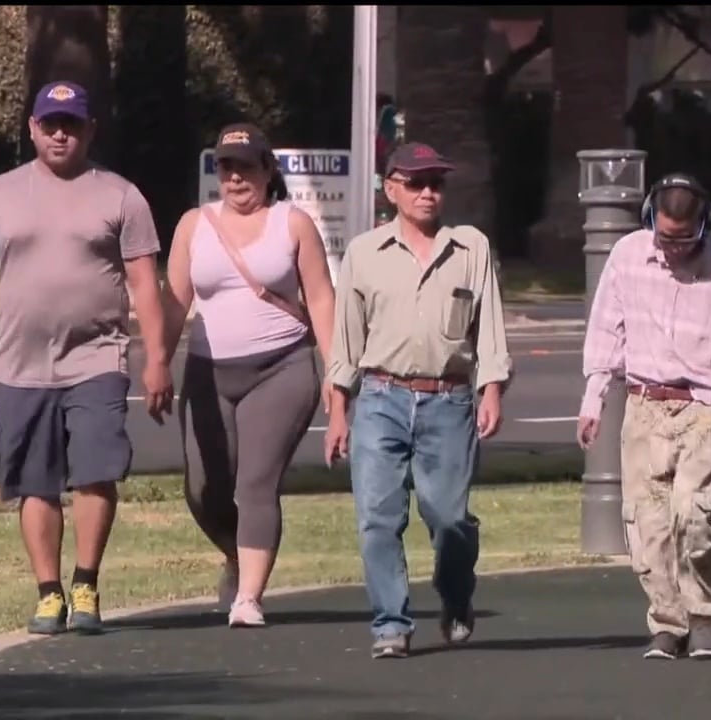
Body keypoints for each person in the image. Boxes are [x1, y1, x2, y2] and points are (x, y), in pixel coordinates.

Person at [0, 80, 173, 636]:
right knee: (34, 483)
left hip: (96, 357)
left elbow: (144, 283)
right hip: (20, 364)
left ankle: (86, 582)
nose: (60, 133)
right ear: (32, 129)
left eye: (71, 124)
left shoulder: (121, 195)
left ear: (89, 130)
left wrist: (157, 356)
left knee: (96, 472)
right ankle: (49, 592)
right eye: (50, 124)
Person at [576, 173, 711, 660]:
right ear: (650, 221)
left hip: (704, 407)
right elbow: (607, 326)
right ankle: (668, 621)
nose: (672, 248)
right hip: (643, 405)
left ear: (704, 225)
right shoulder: (627, 255)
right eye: (664, 237)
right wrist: (593, 396)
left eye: (684, 239)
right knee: (650, 525)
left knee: (694, 516)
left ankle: (706, 615)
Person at [324, 142, 514, 659]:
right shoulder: (365, 253)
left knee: (449, 517)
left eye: (437, 182)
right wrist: (339, 409)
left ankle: (455, 596)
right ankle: (391, 624)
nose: (429, 192)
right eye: (416, 182)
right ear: (392, 189)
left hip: (448, 400)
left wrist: (490, 389)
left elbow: (489, 328)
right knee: (377, 517)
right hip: (381, 398)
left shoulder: (470, 247)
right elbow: (345, 340)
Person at [163, 123, 337, 627]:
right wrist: (156, 363)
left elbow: (321, 298)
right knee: (203, 490)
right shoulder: (193, 225)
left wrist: (335, 372)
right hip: (206, 373)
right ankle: (239, 553)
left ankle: (249, 598)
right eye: (226, 166)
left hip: (281, 367)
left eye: (246, 166)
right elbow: (175, 303)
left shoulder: (293, 223)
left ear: (267, 170)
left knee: (255, 483)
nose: (236, 177)